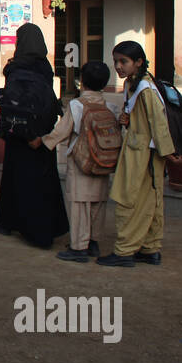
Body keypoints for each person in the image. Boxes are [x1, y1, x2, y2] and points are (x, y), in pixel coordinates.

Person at [0, 23, 69, 249]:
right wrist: (41, 134)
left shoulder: (17, 68)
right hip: (43, 136)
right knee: (43, 182)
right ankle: (47, 227)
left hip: (21, 138)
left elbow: (16, 106)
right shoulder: (45, 68)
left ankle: (31, 231)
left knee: (18, 182)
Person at [98, 40, 176, 267]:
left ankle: (124, 251)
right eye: (116, 62)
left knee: (129, 200)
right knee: (150, 201)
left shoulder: (145, 89)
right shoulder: (135, 84)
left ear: (138, 62)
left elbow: (159, 124)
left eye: (124, 61)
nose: (119, 66)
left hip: (142, 154)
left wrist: (168, 154)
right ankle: (150, 248)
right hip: (141, 150)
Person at [44, 60, 115, 263]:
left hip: (81, 161)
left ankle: (78, 247)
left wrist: (44, 142)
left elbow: (62, 131)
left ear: (82, 82)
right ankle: (93, 242)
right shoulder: (109, 106)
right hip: (103, 161)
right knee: (98, 202)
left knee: (79, 203)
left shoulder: (77, 105)